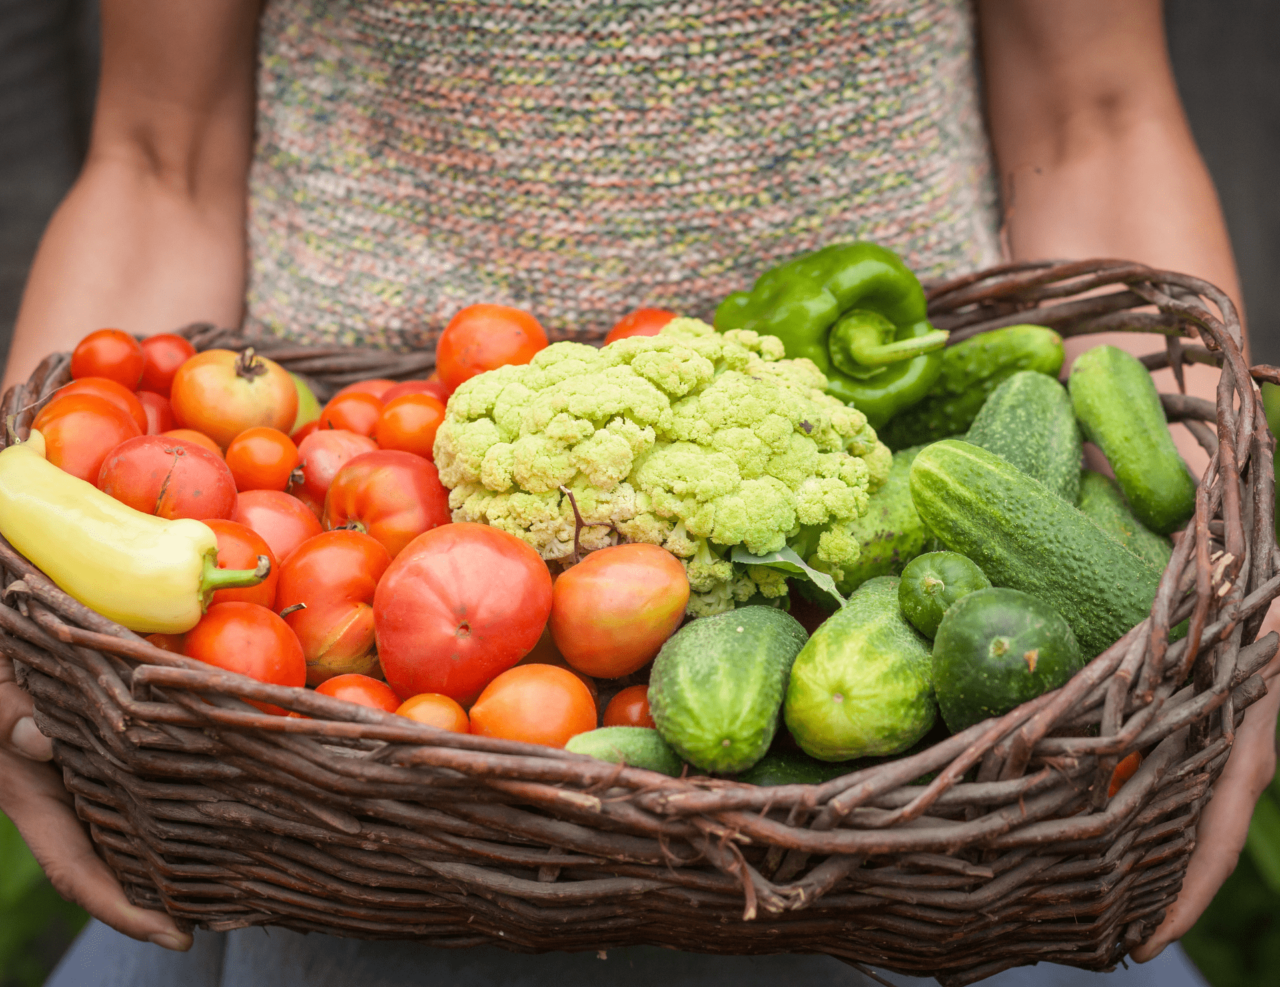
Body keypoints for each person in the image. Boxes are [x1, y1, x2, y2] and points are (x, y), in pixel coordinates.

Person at [1, 1, 1272, 984]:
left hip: (962, 769)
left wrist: (1219, 582)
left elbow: (1094, 118)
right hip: (330, 727)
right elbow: (158, 156)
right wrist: (27, 580)